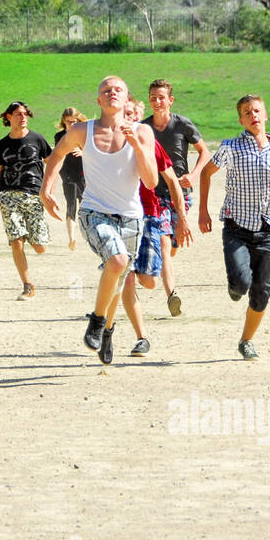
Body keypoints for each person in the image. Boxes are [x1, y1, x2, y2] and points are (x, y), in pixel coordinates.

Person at [40, 76, 159, 368]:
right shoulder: (83, 130)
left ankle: (107, 331)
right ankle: (97, 320)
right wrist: (46, 190)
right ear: (98, 100)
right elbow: (56, 155)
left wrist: (136, 145)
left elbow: (151, 181)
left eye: (118, 89)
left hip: (131, 217)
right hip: (94, 211)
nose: (112, 93)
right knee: (117, 262)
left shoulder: (142, 132)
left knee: (118, 279)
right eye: (106, 91)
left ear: (127, 98)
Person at [198, 95, 270, 361]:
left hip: (267, 228)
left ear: (265, 115)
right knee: (242, 284)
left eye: (257, 111)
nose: (253, 115)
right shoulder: (231, 147)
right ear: (241, 120)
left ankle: (246, 341)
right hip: (236, 226)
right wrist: (203, 211)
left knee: (263, 291)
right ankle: (235, 286)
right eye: (246, 112)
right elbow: (206, 173)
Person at [121, 97, 192, 356]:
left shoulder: (149, 142)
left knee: (147, 281)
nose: (127, 118)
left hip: (150, 212)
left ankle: (166, 285)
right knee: (125, 275)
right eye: (123, 113)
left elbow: (172, 181)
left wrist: (182, 218)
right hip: (119, 218)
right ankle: (139, 337)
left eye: (132, 114)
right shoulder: (105, 144)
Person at [143, 78, 211, 317]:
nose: (157, 101)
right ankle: (172, 295)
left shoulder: (182, 124)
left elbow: (205, 152)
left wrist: (193, 175)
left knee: (173, 245)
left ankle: (171, 247)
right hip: (154, 195)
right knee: (163, 243)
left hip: (181, 194)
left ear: (170, 100)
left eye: (161, 97)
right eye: (153, 97)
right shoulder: (144, 128)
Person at [0, 101, 53, 300]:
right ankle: (28, 285)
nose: (23, 117)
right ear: (9, 117)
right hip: (9, 195)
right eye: (18, 114)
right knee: (16, 241)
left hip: (34, 195)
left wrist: (48, 190)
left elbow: (52, 164)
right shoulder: (1, 145)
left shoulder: (37, 139)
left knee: (40, 247)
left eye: (25, 113)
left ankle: (29, 233)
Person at [54, 108, 89, 250]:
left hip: (82, 171)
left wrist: (82, 151)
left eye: (74, 122)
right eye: (68, 122)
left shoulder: (83, 133)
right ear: (64, 121)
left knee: (85, 203)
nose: (71, 125)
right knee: (71, 203)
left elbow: (92, 150)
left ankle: (88, 233)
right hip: (67, 171)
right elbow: (59, 153)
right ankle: (72, 238)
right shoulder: (59, 136)